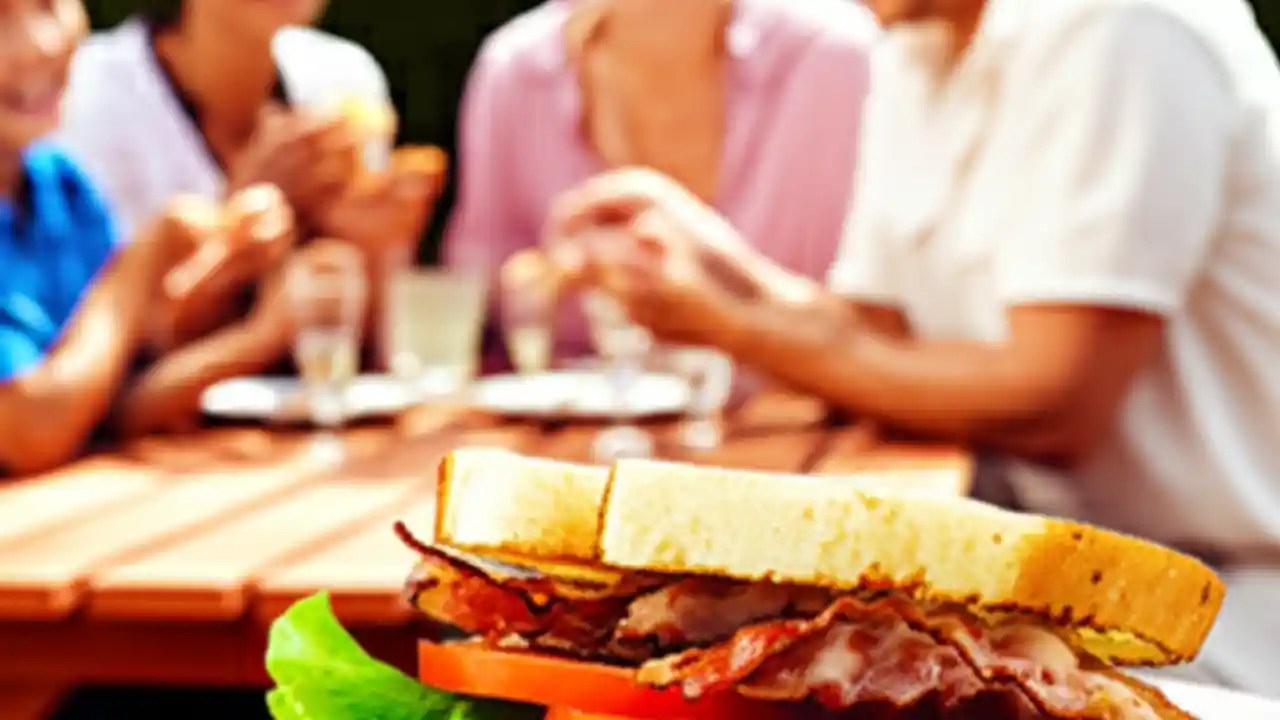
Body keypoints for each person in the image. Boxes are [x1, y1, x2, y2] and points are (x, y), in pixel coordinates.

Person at [548, 0, 1280, 698]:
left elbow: (1053, 403)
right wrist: (722, 266)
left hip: (1220, 606)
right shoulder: (918, 39)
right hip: (1049, 574)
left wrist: (727, 323)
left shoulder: (1124, 27)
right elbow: (877, 338)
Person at [444, 0, 876, 360]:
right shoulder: (514, 71)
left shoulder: (835, 59)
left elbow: (885, 327)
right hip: (573, 441)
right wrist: (545, 281)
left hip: (812, 444)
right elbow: (473, 306)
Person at [58, 0, 439, 351]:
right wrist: (238, 209)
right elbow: (96, 351)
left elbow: (377, 351)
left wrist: (376, 245)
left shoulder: (344, 78)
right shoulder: (84, 99)